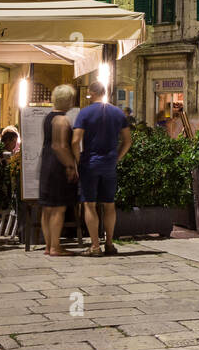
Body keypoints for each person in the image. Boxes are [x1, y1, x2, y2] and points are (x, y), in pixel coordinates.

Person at [71, 81, 132, 255]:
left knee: (90, 205)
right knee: (109, 205)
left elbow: (75, 141)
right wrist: (117, 158)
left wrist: (78, 160)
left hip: (90, 163)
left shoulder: (85, 113)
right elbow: (127, 141)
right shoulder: (118, 113)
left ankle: (95, 246)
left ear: (90, 93)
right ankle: (110, 243)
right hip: (109, 164)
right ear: (105, 92)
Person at [39, 85, 79, 256]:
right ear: (68, 100)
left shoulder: (48, 117)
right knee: (59, 208)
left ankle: (48, 246)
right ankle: (56, 246)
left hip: (46, 162)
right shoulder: (62, 120)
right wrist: (71, 165)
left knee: (47, 207)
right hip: (57, 165)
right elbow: (60, 146)